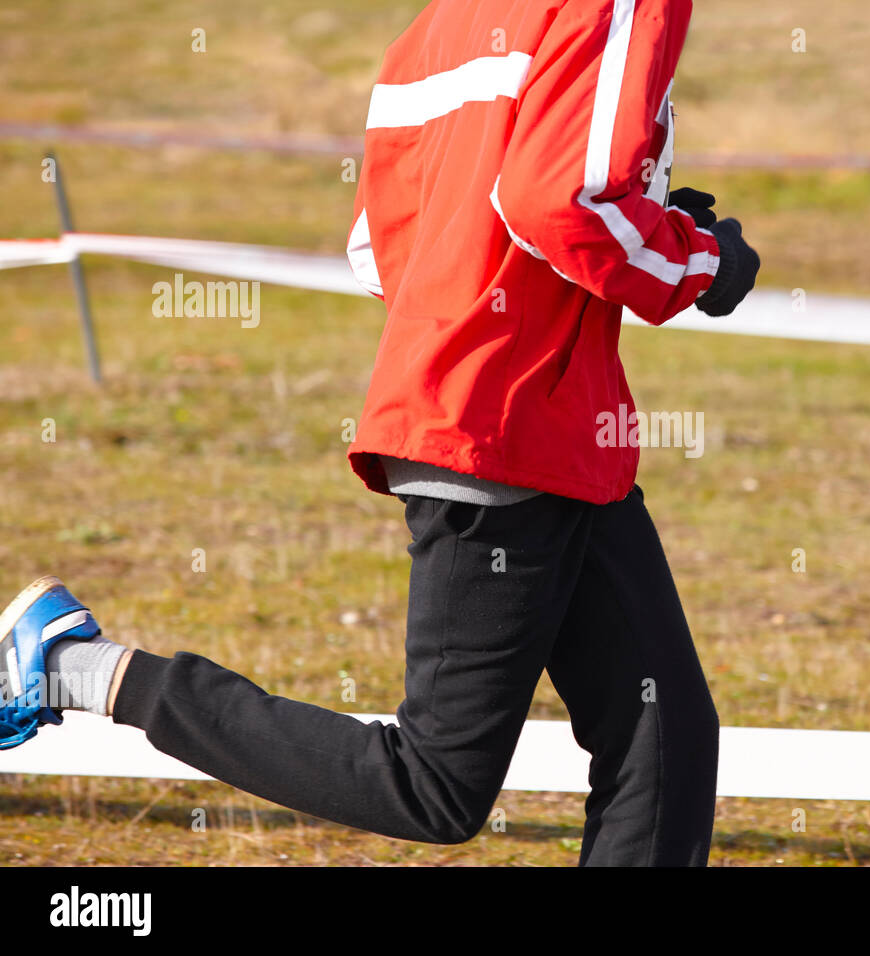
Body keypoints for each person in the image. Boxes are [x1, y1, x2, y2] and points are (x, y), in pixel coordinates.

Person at [0, 0, 760, 867]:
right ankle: (81, 668)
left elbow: (379, 246)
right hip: (505, 428)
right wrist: (699, 262)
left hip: (539, 423)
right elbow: (561, 202)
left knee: (665, 736)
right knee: (434, 787)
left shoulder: (437, 24)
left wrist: (646, 224)